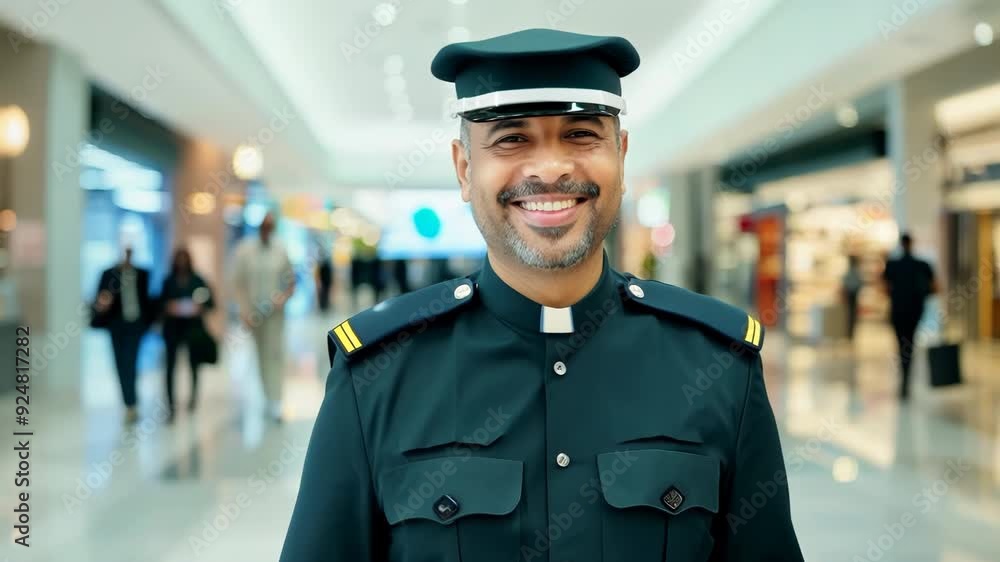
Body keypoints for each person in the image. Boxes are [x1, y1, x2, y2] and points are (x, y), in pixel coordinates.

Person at [280, 28, 803, 562]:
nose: (550, 168)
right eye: (511, 139)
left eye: (581, 135)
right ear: (465, 169)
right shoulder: (378, 374)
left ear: (620, 155)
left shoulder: (718, 365)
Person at [232, 211, 295, 422]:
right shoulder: (245, 250)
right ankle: (266, 396)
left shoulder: (280, 250)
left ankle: (276, 401)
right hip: (254, 314)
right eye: (264, 225)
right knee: (259, 356)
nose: (268, 229)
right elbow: (239, 283)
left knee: (275, 355)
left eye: (271, 226)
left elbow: (291, 282)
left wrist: (283, 297)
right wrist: (243, 311)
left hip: (275, 315)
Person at [91, 247, 155, 424]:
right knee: (120, 364)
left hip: (135, 325)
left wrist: (148, 323)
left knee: (131, 362)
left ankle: (132, 402)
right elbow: (99, 298)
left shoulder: (142, 274)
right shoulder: (109, 274)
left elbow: (148, 300)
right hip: (116, 326)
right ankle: (129, 403)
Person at [160, 247, 214, 421]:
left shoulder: (198, 280)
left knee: (194, 366)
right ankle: (170, 405)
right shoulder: (169, 281)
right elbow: (160, 303)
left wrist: (199, 308)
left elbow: (211, 302)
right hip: (173, 329)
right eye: (179, 259)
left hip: (192, 329)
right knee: (170, 368)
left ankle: (192, 400)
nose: (182, 263)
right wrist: (169, 307)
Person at [882, 233, 936, 400]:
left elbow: (884, 288)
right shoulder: (922, 265)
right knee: (910, 342)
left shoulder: (892, 265)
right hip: (915, 310)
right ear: (911, 244)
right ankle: (906, 376)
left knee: (901, 343)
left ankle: (904, 376)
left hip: (898, 311)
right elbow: (934, 287)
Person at [842, 254, 863, 341]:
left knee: (851, 314)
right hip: (852, 294)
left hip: (852, 294)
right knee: (851, 314)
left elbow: (846, 283)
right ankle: (850, 332)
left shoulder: (852, 271)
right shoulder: (854, 272)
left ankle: (850, 332)